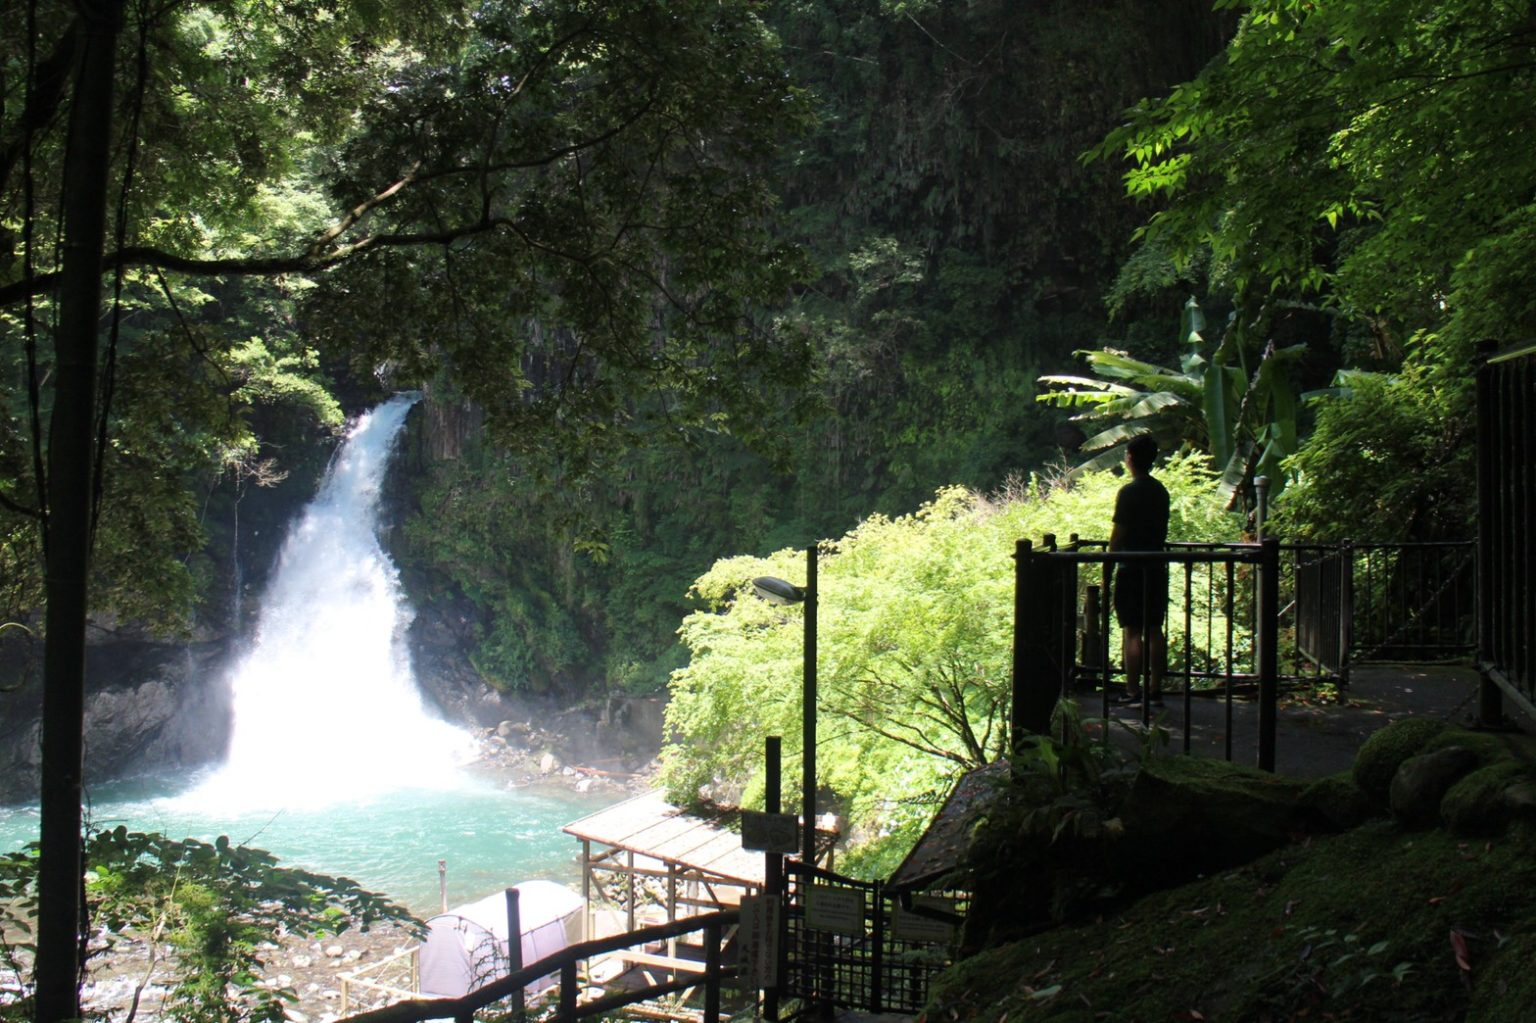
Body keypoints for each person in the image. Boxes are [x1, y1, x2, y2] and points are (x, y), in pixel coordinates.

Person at [1110, 434, 1170, 707]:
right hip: (1156, 566)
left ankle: (1132, 691)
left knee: (1132, 630)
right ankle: (1155, 690)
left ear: (1131, 459)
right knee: (1155, 628)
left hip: (1131, 567)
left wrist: (1109, 561)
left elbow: (1118, 533)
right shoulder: (1160, 491)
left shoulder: (1128, 492)